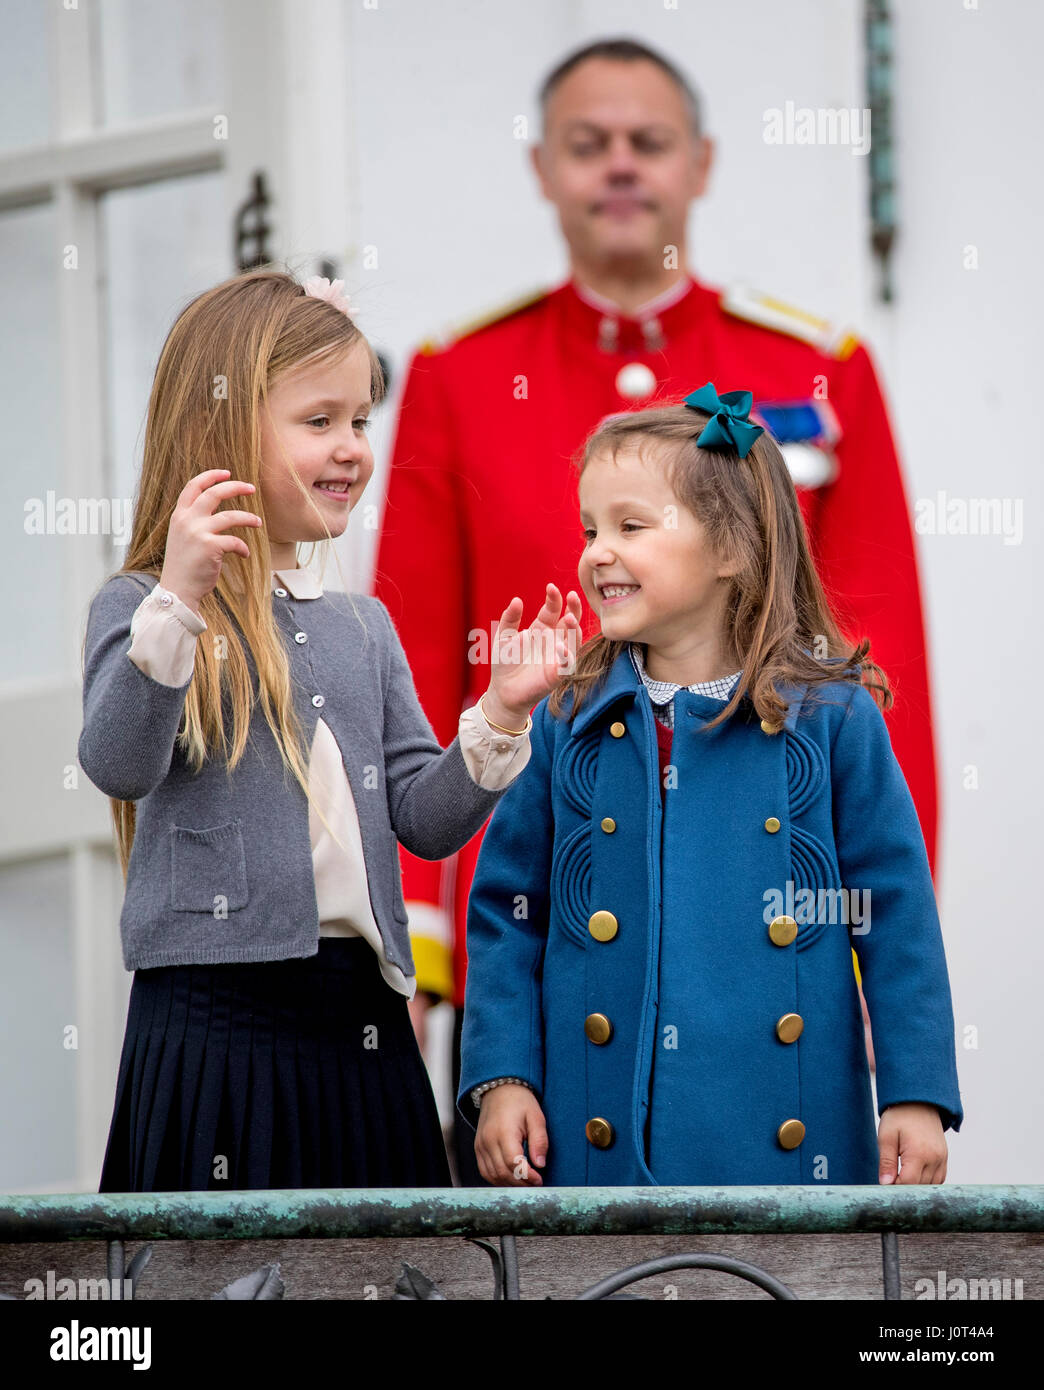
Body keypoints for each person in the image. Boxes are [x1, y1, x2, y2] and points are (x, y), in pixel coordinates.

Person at [373, 40, 937, 1176]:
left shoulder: (818, 370)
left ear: (702, 162)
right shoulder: (459, 373)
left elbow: (884, 675)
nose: (620, 166)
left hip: (770, 959)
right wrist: (421, 968)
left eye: (649, 142)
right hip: (562, 968)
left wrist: (889, 1017)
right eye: (589, 145)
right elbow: (416, 683)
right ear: (543, 168)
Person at [78, 268, 580, 1192]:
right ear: (220, 432)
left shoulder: (363, 625)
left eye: (360, 422)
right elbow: (117, 761)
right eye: (319, 423)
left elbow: (425, 821)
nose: (352, 449)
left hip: (365, 1023)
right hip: (213, 1022)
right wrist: (179, 601)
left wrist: (503, 709)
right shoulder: (143, 606)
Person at [458, 385, 962, 1187]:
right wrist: (503, 1078)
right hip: (591, 1150)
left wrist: (915, 1093)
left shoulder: (832, 715)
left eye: (630, 526)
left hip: (795, 1149)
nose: (596, 551)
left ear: (732, 546)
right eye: (590, 529)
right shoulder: (564, 718)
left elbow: (893, 914)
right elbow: (506, 915)